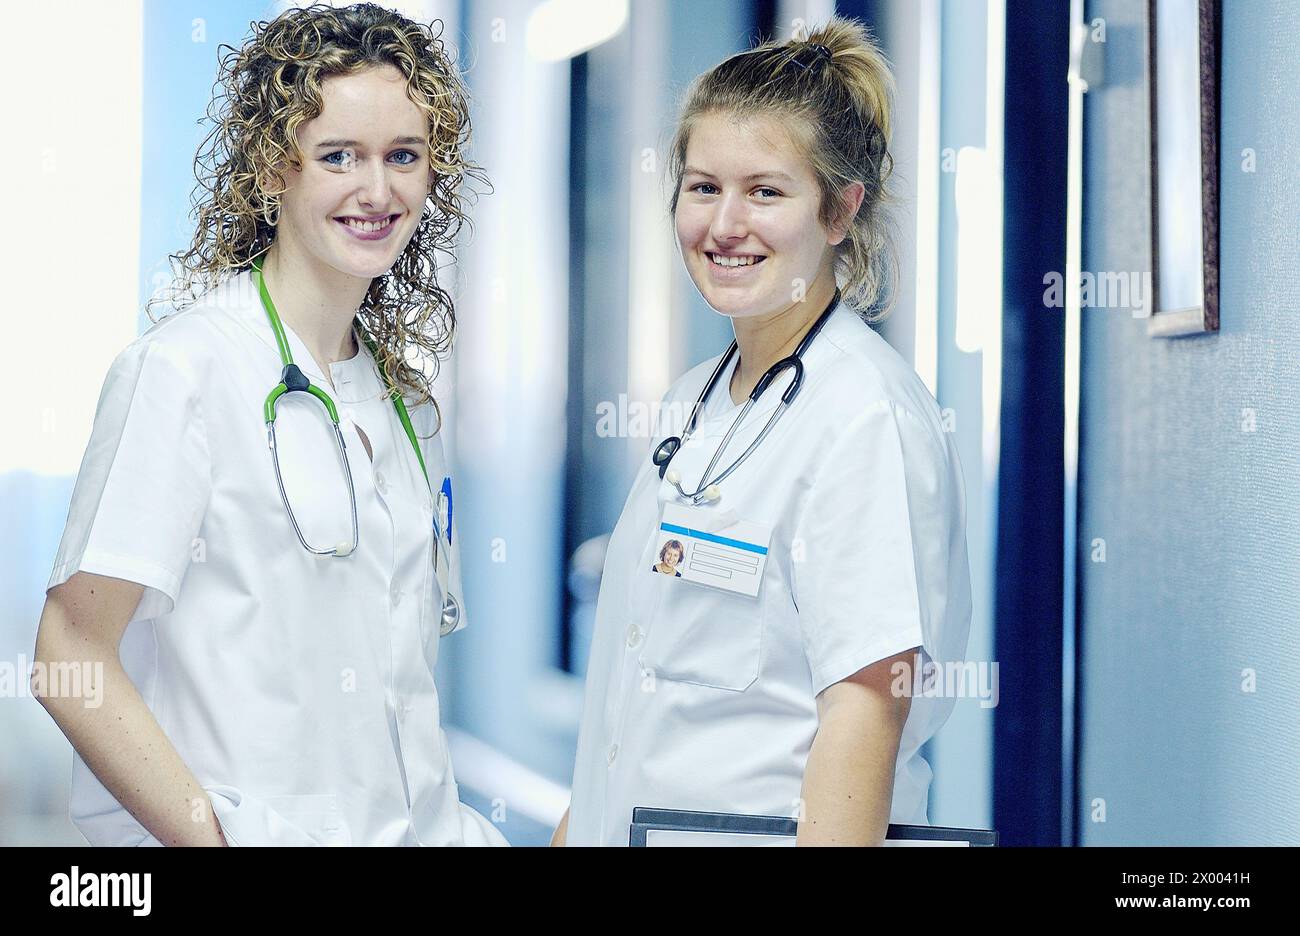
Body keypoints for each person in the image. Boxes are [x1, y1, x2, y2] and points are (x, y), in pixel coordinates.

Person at [31, 3, 505, 846]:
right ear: (273, 169)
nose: (378, 190)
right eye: (339, 157)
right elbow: (70, 658)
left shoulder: (405, 405)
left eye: (404, 156)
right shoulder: (185, 372)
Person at [553, 17, 972, 847]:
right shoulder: (693, 406)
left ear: (840, 211)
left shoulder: (862, 419)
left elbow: (863, 714)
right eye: (703, 187)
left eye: (766, 191)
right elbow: (630, 712)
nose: (724, 224)